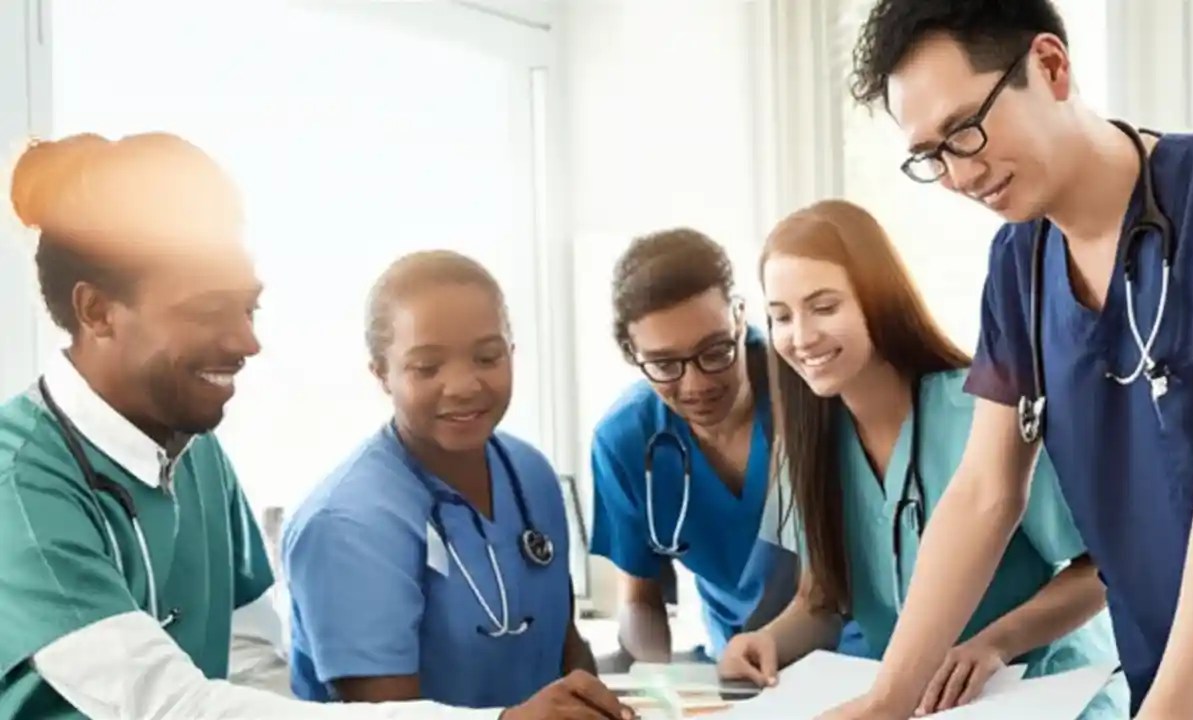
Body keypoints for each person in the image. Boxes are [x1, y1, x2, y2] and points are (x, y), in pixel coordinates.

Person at [0, 132, 629, 720]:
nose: (247, 341)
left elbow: (250, 667)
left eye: (249, 307)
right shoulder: (19, 484)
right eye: (208, 312)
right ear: (97, 311)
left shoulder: (196, 453)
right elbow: (171, 706)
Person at [826, 1, 1193, 717]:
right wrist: (887, 698)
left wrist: (1172, 710)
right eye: (930, 155)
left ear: (1051, 65)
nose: (957, 174)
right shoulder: (1020, 265)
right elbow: (984, 491)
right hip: (1165, 682)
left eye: (964, 130)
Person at [717, 199, 1126, 717]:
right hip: (919, 705)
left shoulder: (984, 415)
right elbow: (820, 603)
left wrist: (994, 644)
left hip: (1046, 693)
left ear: (878, 300)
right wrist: (770, 640)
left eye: (824, 307)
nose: (801, 337)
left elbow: (1099, 571)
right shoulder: (802, 445)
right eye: (780, 317)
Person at [284, 251, 620, 715]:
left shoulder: (531, 475)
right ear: (382, 374)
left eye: (487, 356)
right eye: (426, 367)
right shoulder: (349, 524)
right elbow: (389, 717)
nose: (463, 385)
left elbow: (565, 651)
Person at [589, 229, 866, 668]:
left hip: (855, 653)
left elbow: (827, 594)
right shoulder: (624, 440)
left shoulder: (810, 390)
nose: (697, 385)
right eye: (664, 365)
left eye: (715, 351)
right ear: (630, 350)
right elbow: (640, 599)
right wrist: (660, 687)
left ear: (740, 315)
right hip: (737, 666)